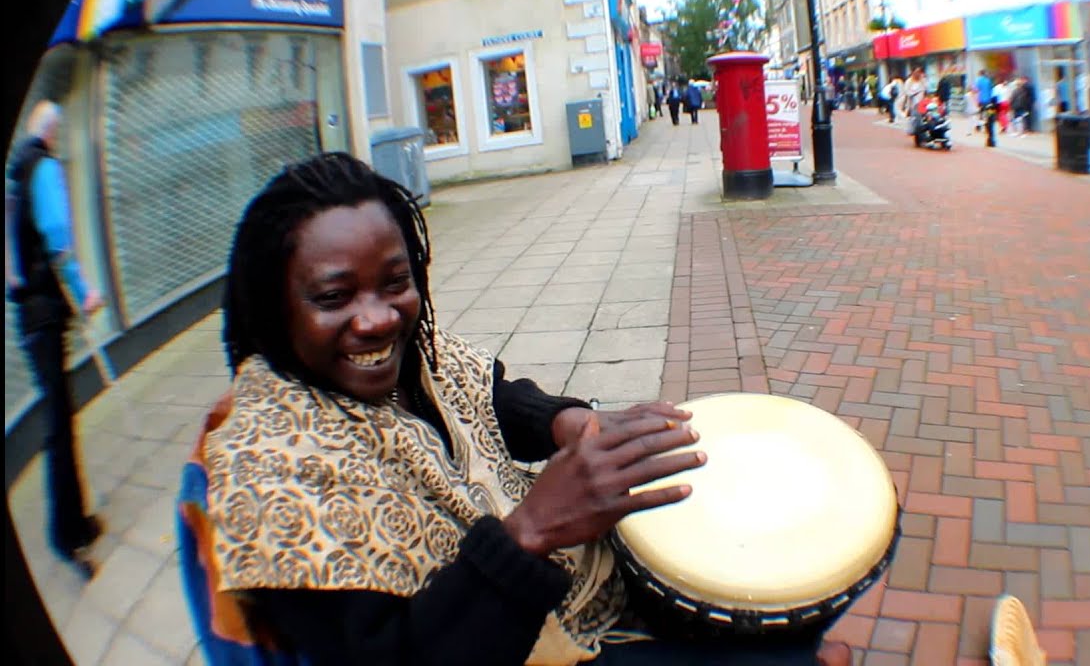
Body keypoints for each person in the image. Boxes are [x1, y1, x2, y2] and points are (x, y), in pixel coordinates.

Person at [176, 153, 845, 666]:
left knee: (789, 592)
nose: (379, 320)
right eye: (334, 297)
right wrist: (530, 532)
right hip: (528, 643)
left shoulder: (417, 352)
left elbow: (496, 397)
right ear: (274, 311)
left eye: (396, 282)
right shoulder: (265, 470)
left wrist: (569, 422)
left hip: (583, 580)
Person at [4, 101, 104, 578]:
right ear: (51, 130)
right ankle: (69, 535)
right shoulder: (42, 168)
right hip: (46, 309)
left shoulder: (14, 172)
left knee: (57, 418)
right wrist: (86, 293)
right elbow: (60, 237)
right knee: (60, 425)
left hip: (28, 313)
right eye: (59, 130)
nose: (61, 136)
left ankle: (75, 524)